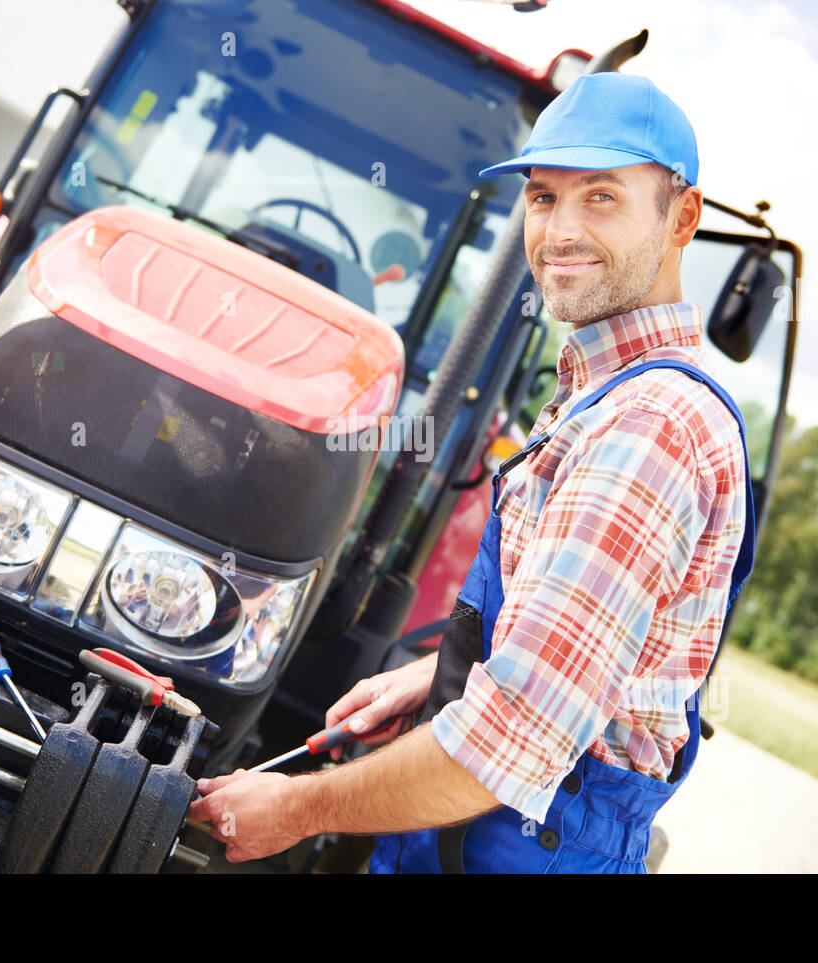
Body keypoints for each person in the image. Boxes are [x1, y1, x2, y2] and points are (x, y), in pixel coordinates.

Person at [189, 72, 756, 873]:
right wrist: (441, 675)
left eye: (601, 198)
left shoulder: (648, 427)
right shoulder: (596, 398)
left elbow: (509, 742)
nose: (559, 230)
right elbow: (576, 642)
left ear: (682, 218)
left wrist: (292, 807)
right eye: (543, 198)